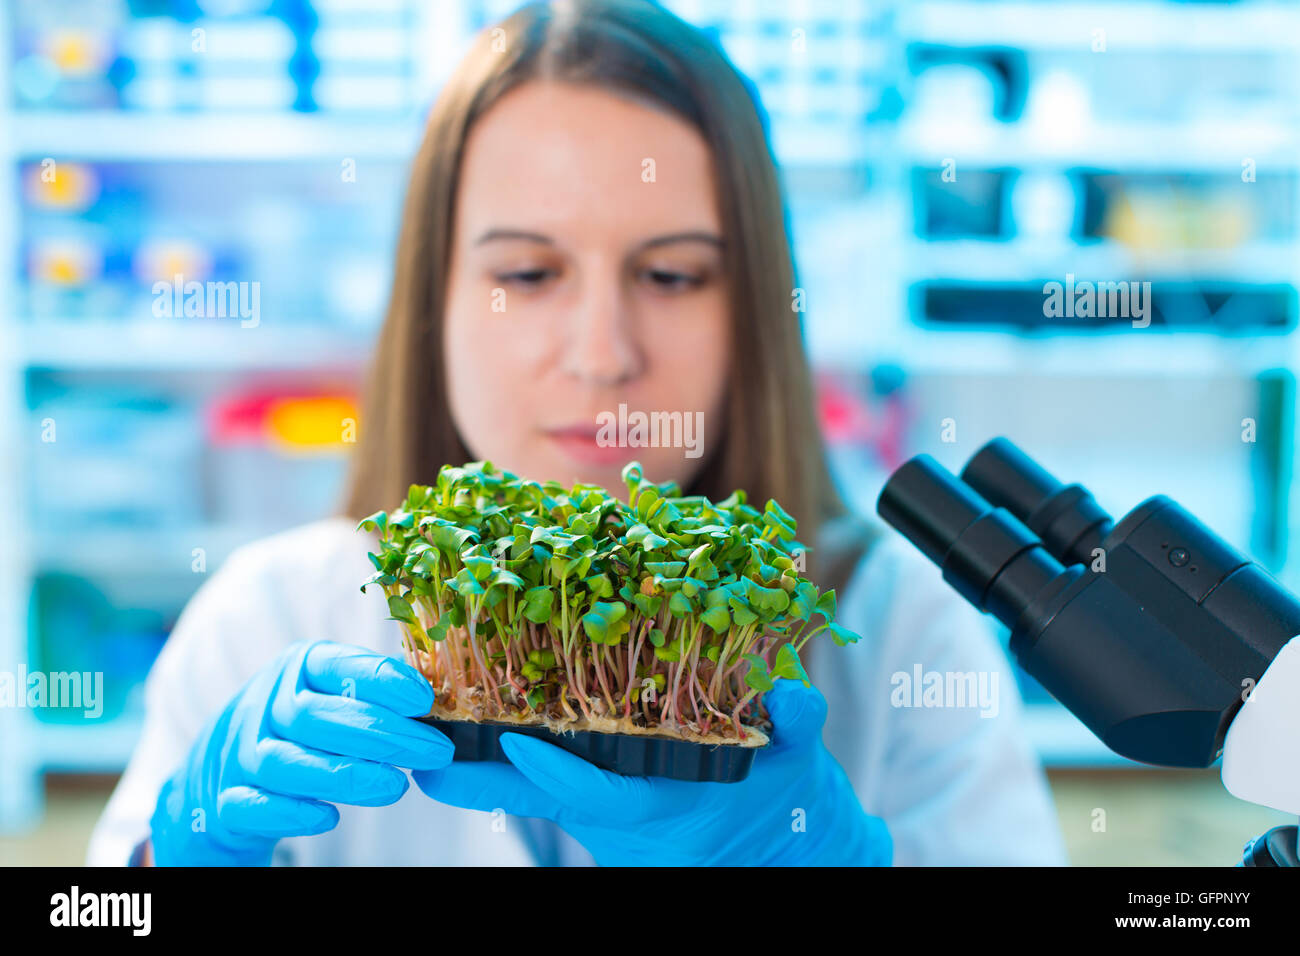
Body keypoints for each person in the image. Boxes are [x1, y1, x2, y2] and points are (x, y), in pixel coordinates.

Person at [88, 0, 1067, 866]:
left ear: (759, 310)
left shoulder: (902, 630)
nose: (602, 354)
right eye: (526, 273)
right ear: (435, 305)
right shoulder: (269, 617)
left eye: (673, 275)